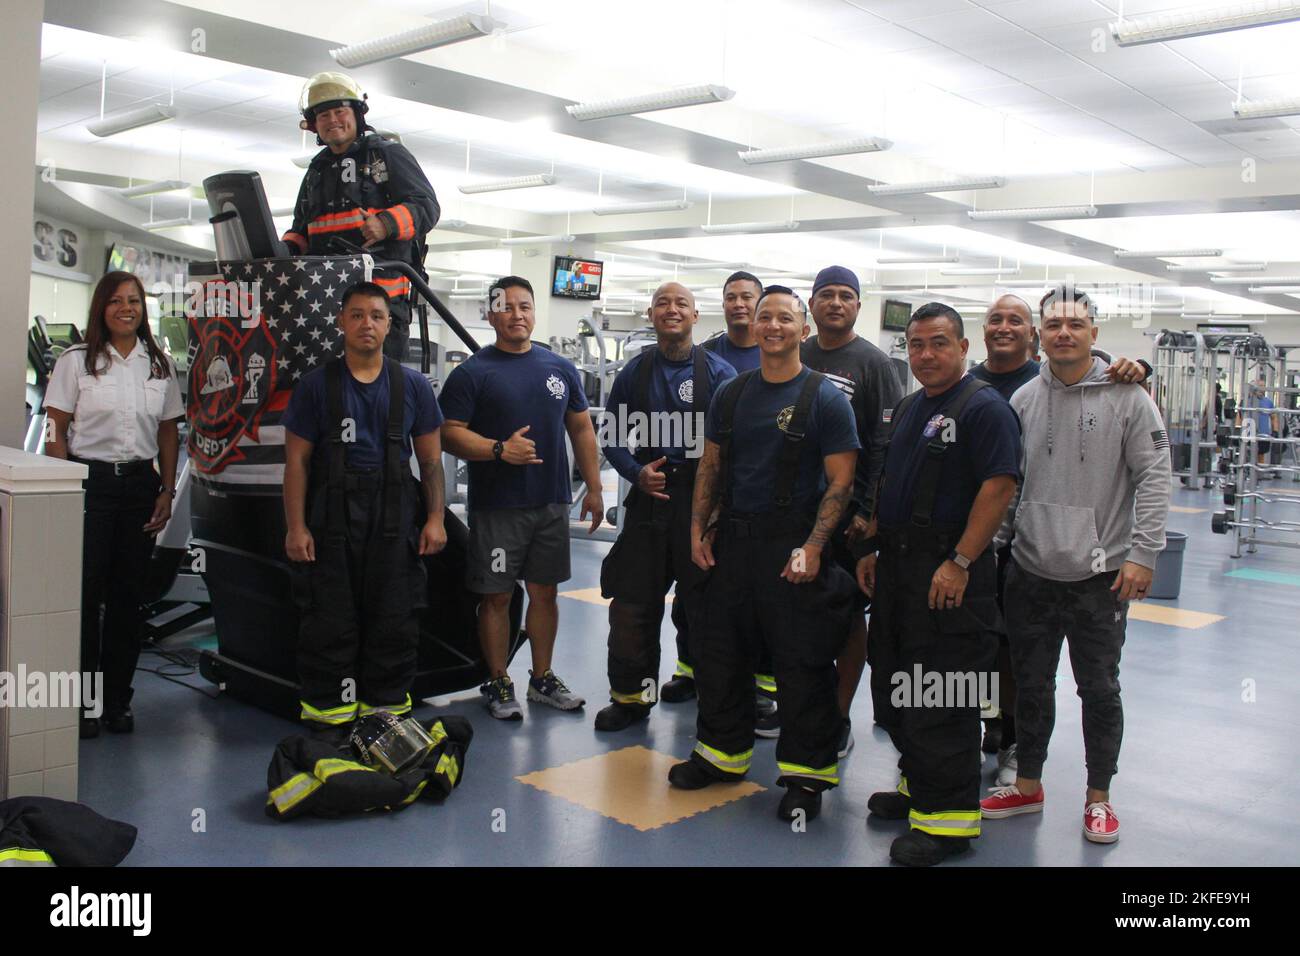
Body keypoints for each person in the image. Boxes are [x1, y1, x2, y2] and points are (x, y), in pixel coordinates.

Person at [979, 286, 1171, 846]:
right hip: (1031, 571)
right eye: (1055, 324)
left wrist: (1143, 553)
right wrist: (998, 547)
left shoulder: (1129, 397)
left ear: (1093, 333)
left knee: (1099, 688)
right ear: (1041, 334)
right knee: (1033, 686)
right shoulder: (1022, 403)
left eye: (1076, 324)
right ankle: (1029, 783)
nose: (1064, 332)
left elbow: (1155, 478)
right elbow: (1010, 488)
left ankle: (1098, 798)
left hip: (1101, 576)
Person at [668, 286, 860, 823]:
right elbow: (712, 465)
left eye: (785, 318)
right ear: (753, 327)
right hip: (734, 543)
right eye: (764, 317)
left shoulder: (825, 397)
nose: (772, 325)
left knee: (801, 663)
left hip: (793, 546)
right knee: (721, 654)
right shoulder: (731, 394)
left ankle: (805, 775)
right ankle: (722, 755)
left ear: (804, 330)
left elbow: (841, 481)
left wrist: (816, 548)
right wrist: (697, 530)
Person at [856, 302, 1021, 867]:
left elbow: (998, 488)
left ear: (963, 348)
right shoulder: (908, 408)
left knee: (943, 693)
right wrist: (877, 548)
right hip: (900, 570)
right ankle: (917, 787)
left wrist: (960, 560)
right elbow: (891, 482)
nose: (926, 355)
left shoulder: (984, 409)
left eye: (938, 344)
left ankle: (948, 825)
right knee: (898, 683)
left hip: (951, 572)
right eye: (917, 345)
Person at [282, 281, 447, 739]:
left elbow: (431, 461)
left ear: (388, 324)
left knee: (393, 618)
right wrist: (296, 527)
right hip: (331, 515)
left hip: (395, 517)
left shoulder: (413, 386)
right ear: (340, 322)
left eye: (376, 315)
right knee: (329, 619)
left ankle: (385, 720)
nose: (366, 324)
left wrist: (435, 518)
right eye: (356, 315)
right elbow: (295, 462)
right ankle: (328, 724)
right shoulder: (316, 387)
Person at [439, 276, 604, 720]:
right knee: (496, 596)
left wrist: (594, 486)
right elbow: (448, 434)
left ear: (534, 312)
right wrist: (498, 450)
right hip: (498, 508)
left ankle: (542, 678)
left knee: (545, 593)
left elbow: (581, 427)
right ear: (491, 314)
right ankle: (497, 679)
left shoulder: (559, 368)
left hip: (551, 503)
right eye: (507, 307)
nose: (517, 314)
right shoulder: (472, 373)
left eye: (525, 306)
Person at [44, 271, 185, 738]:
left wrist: (166, 490)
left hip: (139, 490)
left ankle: (116, 702)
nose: (127, 308)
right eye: (117, 301)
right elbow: (56, 430)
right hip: (91, 484)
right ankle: (82, 705)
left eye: (135, 301)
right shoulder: (77, 362)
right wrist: (64, 485)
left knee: (128, 598)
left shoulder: (159, 363)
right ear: (101, 307)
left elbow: (168, 431)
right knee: (85, 597)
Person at [594, 282, 736, 730]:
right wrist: (636, 473)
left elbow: (735, 447)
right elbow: (612, 437)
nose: (671, 310)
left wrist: (714, 510)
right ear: (651, 316)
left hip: (701, 506)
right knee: (633, 605)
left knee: (706, 609)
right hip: (650, 503)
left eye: (681, 304)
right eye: (662, 304)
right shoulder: (634, 374)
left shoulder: (720, 373)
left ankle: (712, 703)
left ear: (696, 316)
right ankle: (631, 699)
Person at [800, 265, 904, 759]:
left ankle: (838, 717)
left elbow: (886, 443)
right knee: (799, 613)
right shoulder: (796, 354)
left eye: (846, 296)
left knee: (845, 619)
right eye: (826, 295)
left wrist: (868, 509)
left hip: (850, 517)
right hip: (799, 513)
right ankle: (804, 707)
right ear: (813, 303)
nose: (836, 303)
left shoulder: (874, 364)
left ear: (858, 306)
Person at [282, 72, 440, 362]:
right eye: (323, 115)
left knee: (381, 392)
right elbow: (301, 228)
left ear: (356, 114)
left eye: (339, 111)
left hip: (381, 308)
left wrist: (387, 223)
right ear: (314, 125)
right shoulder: (316, 170)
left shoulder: (388, 154)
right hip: (327, 302)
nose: (332, 121)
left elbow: (427, 205)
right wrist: (282, 251)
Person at [703, 271, 763, 373]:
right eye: (730, 298)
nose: (738, 304)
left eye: (746, 297)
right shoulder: (705, 354)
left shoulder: (779, 352)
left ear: (761, 303)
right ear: (723, 305)